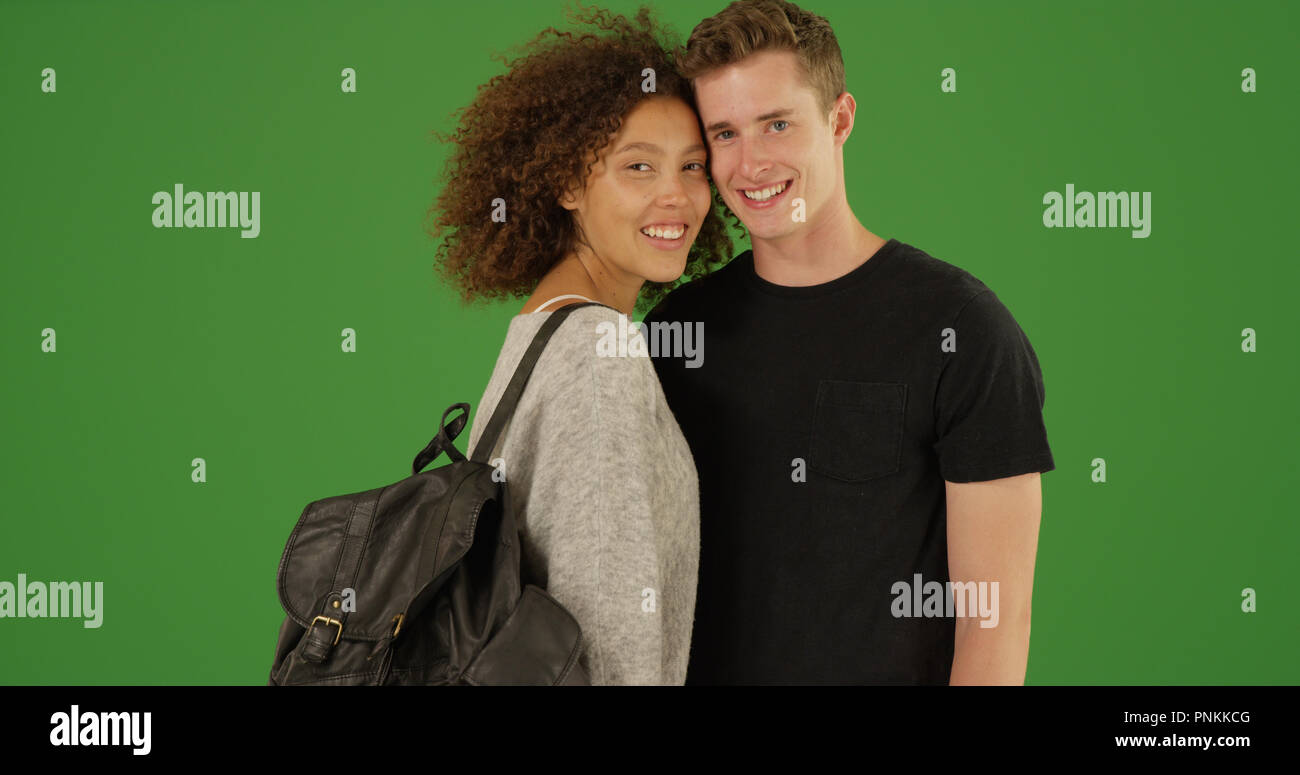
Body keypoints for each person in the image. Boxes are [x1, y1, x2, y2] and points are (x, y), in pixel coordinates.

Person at [644, 0, 1056, 685]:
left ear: (840, 119)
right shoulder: (674, 337)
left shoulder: (963, 330)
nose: (751, 163)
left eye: (777, 123)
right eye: (725, 133)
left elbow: (996, 625)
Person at [425, 5, 732, 684]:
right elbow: (609, 633)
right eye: (638, 167)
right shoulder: (599, 355)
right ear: (567, 183)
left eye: (691, 167)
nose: (676, 197)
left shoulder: (542, 330)